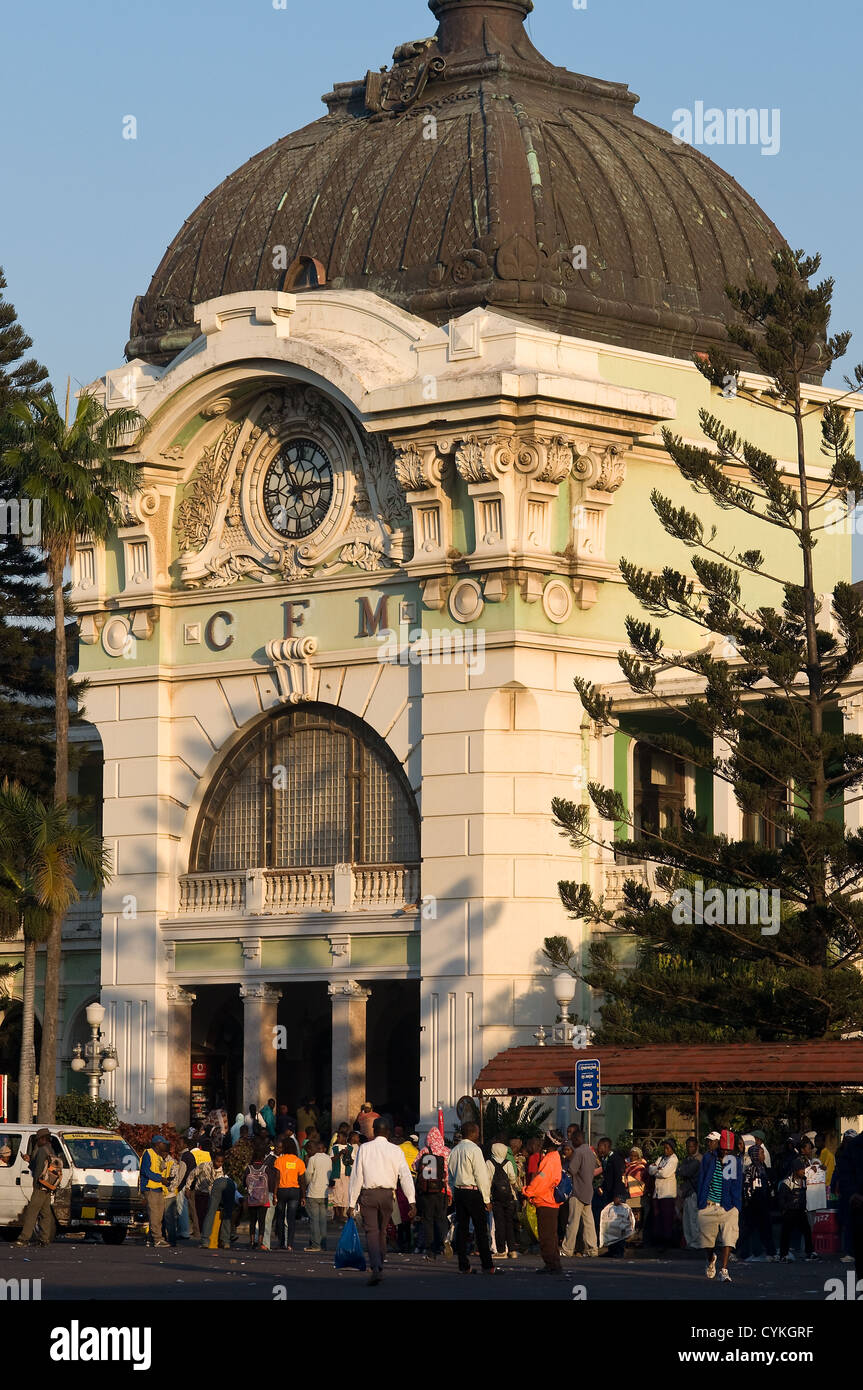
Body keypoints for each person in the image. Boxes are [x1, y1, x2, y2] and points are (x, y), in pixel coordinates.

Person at [348, 1116, 416, 1286]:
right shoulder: (396, 1150)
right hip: (388, 1196)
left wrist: (351, 1203)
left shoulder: (364, 1148)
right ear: (388, 1132)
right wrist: (412, 1201)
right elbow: (405, 1176)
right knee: (382, 1231)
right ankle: (380, 1263)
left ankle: (376, 1266)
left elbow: (357, 1176)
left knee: (371, 1231)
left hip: (368, 1195)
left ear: (374, 1131)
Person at [697, 1129, 743, 1282]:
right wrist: (701, 1203)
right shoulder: (708, 1158)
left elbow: (737, 1184)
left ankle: (724, 1270)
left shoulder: (734, 1161)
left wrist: (736, 1206)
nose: (726, 1153)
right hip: (709, 1204)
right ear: (719, 1147)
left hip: (728, 1206)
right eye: (723, 1150)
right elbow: (702, 1180)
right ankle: (711, 1259)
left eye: (729, 1150)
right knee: (707, 1242)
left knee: (728, 1238)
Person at [523, 1131, 564, 1276]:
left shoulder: (549, 1159)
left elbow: (541, 1181)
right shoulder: (554, 1157)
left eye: (545, 1139)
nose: (543, 1141)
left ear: (550, 1142)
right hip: (550, 1201)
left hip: (546, 1201)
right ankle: (554, 1263)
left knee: (546, 1236)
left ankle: (551, 1264)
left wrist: (528, 1191)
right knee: (551, 1235)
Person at [13, 1129, 59, 1249]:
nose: (36, 1142)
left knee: (32, 1212)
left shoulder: (42, 1150)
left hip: (40, 1186)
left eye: (38, 1139)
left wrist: (30, 1162)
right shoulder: (51, 1149)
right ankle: (44, 1239)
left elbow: (38, 1169)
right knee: (45, 1213)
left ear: (42, 1139)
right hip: (49, 1187)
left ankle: (23, 1238)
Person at [561, 1127, 599, 1258]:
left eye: (573, 1139)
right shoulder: (590, 1152)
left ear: (577, 1139)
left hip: (577, 1191)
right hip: (588, 1191)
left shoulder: (578, 1152)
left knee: (572, 1222)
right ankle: (592, 1249)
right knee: (589, 1223)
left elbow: (571, 1170)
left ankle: (567, 1249)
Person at [414, 1127, 451, 1260]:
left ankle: (430, 1250)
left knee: (428, 1219)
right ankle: (444, 1242)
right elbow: (450, 1173)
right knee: (441, 1218)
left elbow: (415, 1166)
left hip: (426, 1191)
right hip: (442, 1190)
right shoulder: (446, 1151)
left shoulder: (424, 1151)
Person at [777, 1158, 817, 1262]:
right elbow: (781, 1200)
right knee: (786, 1233)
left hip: (800, 1211)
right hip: (790, 1212)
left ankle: (810, 1252)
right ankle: (783, 1255)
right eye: (801, 1169)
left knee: (807, 1231)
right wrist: (785, 1209)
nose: (803, 1171)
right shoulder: (786, 1183)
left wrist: (819, 1167)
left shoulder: (804, 1181)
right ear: (795, 1170)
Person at [741, 1140, 775, 1261]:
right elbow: (747, 1187)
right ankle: (741, 1252)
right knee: (749, 1229)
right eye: (761, 1153)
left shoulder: (763, 1168)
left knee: (765, 1228)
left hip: (763, 1204)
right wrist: (748, 1201)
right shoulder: (751, 1170)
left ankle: (770, 1252)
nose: (763, 1156)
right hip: (753, 1205)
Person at [596, 1136, 629, 1258]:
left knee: (617, 1222)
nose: (598, 1148)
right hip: (609, 1194)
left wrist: (617, 1195)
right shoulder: (605, 1159)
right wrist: (602, 1188)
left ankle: (619, 1250)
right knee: (609, 1223)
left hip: (617, 1194)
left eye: (600, 1146)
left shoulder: (615, 1159)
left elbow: (617, 1178)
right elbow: (607, 1178)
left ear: (606, 1146)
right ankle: (612, 1248)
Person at [487, 1140, 519, 1259]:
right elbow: (512, 1179)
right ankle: (512, 1250)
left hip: (496, 1198)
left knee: (499, 1224)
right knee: (509, 1223)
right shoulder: (508, 1163)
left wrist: (487, 1197)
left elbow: (487, 1181)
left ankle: (501, 1251)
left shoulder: (489, 1163)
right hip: (508, 1197)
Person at [138, 1134, 171, 1249]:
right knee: (155, 1216)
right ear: (157, 1144)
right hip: (150, 1188)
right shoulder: (148, 1153)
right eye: (163, 1143)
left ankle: (150, 1239)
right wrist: (160, 1178)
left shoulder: (159, 1156)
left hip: (158, 1188)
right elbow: (145, 1171)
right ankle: (157, 1239)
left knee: (158, 1216)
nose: (165, 1145)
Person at [198, 1151, 237, 1249]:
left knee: (211, 1212)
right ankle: (226, 1241)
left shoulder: (210, 1167)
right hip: (231, 1184)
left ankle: (205, 1241)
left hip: (219, 1183)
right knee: (227, 1214)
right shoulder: (229, 1169)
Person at [274, 1137, 307, 1250]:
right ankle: (290, 1244)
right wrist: (303, 1196)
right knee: (291, 1218)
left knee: (280, 1217)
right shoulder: (299, 1162)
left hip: (281, 1191)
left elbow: (277, 1179)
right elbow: (302, 1181)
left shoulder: (279, 1161)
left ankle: (281, 1242)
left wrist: (274, 1194)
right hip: (294, 1191)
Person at [649, 1139, 679, 1249]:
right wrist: (658, 1169)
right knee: (658, 1217)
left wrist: (656, 1170)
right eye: (664, 1148)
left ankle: (667, 1241)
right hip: (657, 1193)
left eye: (668, 1148)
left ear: (672, 1149)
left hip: (667, 1194)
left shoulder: (673, 1159)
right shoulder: (661, 1158)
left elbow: (665, 1173)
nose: (665, 1150)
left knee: (667, 1218)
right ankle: (659, 1240)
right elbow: (650, 1170)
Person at [304, 1140, 331, 1251]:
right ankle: (323, 1244)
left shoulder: (313, 1159)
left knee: (314, 1220)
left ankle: (315, 1245)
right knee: (323, 1220)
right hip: (324, 1192)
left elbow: (308, 1175)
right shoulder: (328, 1158)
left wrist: (307, 1184)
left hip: (313, 1192)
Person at [677, 1137, 702, 1250]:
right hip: (687, 1192)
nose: (689, 1148)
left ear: (696, 1146)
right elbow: (680, 1171)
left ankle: (696, 1243)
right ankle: (690, 1242)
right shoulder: (688, 1159)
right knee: (686, 1220)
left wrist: (682, 1170)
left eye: (691, 1146)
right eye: (688, 1146)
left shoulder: (698, 1159)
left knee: (693, 1219)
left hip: (694, 1192)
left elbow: (685, 1171)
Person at [329, 1125, 355, 1222]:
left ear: (344, 1138)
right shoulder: (335, 1148)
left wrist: (347, 1154)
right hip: (337, 1174)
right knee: (336, 1194)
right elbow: (331, 1159)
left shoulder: (350, 1148)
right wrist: (340, 1154)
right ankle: (337, 1214)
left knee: (345, 1193)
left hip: (346, 1174)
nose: (338, 1139)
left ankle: (342, 1214)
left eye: (339, 1137)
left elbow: (353, 1161)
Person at [624, 1146, 647, 1245]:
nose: (633, 1157)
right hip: (629, 1195)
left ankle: (637, 1236)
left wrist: (627, 1179)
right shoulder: (628, 1166)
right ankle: (631, 1235)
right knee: (630, 1216)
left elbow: (640, 1179)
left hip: (637, 1195)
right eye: (631, 1155)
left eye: (635, 1156)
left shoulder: (640, 1167)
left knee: (637, 1216)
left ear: (639, 1157)